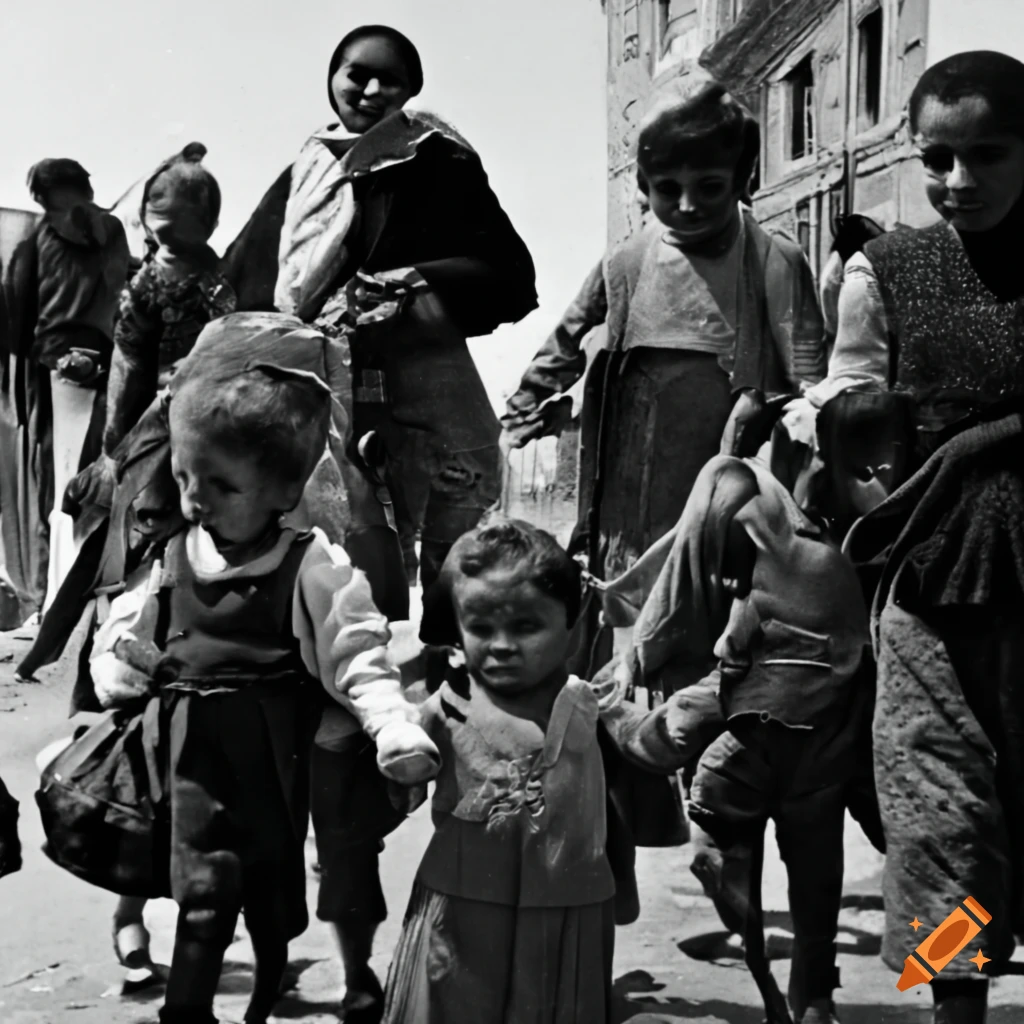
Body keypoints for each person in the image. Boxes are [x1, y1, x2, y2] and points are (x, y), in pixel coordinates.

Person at [88, 311, 441, 1024]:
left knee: (275, 902)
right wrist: (119, 668)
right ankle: (187, 1012)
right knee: (203, 896)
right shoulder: (172, 558)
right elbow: (125, 632)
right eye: (184, 477)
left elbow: (357, 652)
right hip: (193, 767)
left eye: (220, 486)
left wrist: (392, 725)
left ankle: (279, 985)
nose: (194, 499)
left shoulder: (311, 564)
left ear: (285, 491)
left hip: (277, 771)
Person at [809, 50, 1024, 1024]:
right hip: (931, 576)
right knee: (937, 816)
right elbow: (850, 407)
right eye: (937, 158)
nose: (959, 180)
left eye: (988, 154)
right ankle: (955, 1006)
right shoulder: (884, 270)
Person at [500, 74, 825, 679]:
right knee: (625, 597)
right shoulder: (627, 260)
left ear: (743, 179)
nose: (688, 204)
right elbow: (568, 334)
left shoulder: (773, 258)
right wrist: (525, 403)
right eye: (668, 189)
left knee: (714, 602)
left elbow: (809, 376)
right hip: (629, 469)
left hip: (726, 467)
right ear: (644, 185)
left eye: (709, 186)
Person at [222, 24, 537, 600]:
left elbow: (505, 268)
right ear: (332, 78)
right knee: (336, 520)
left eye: (388, 80)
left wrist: (414, 278)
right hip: (317, 365)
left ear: (411, 89)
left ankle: (446, 633)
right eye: (357, 75)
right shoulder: (306, 167)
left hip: (414, 352)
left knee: (465, 478)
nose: (370, 91)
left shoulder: (437, 156)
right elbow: (247, 275)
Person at [595, 453, 872, 1024]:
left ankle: (787, 985)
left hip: (760, 750)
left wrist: (620, 704)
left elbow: (714, 684)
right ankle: (811, 999)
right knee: (815, 884)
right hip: (818, 759)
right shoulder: (818, 561)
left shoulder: (769, 574)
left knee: (719, 838)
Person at [383, 518, 617, 1024]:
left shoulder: (586, 705)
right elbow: (393, 794)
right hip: (465, 909)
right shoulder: (443, 711)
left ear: (572, 627)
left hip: (564, 905)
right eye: (481, 628)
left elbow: (618, 800)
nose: (503, 644)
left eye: (526, 626)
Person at [0, 159, 129, 620]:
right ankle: (52, 594)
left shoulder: (57, 236)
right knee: (66, 485)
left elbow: (115, 290)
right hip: (72, 366)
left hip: (69, 366)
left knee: (62, 486)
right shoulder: (48, 238)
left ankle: (54, 594)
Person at [103, 142, 235, 456]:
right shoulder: (149, 281)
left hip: (195, 397)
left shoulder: (213, 276)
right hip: (151, 397)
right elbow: (129, 360)